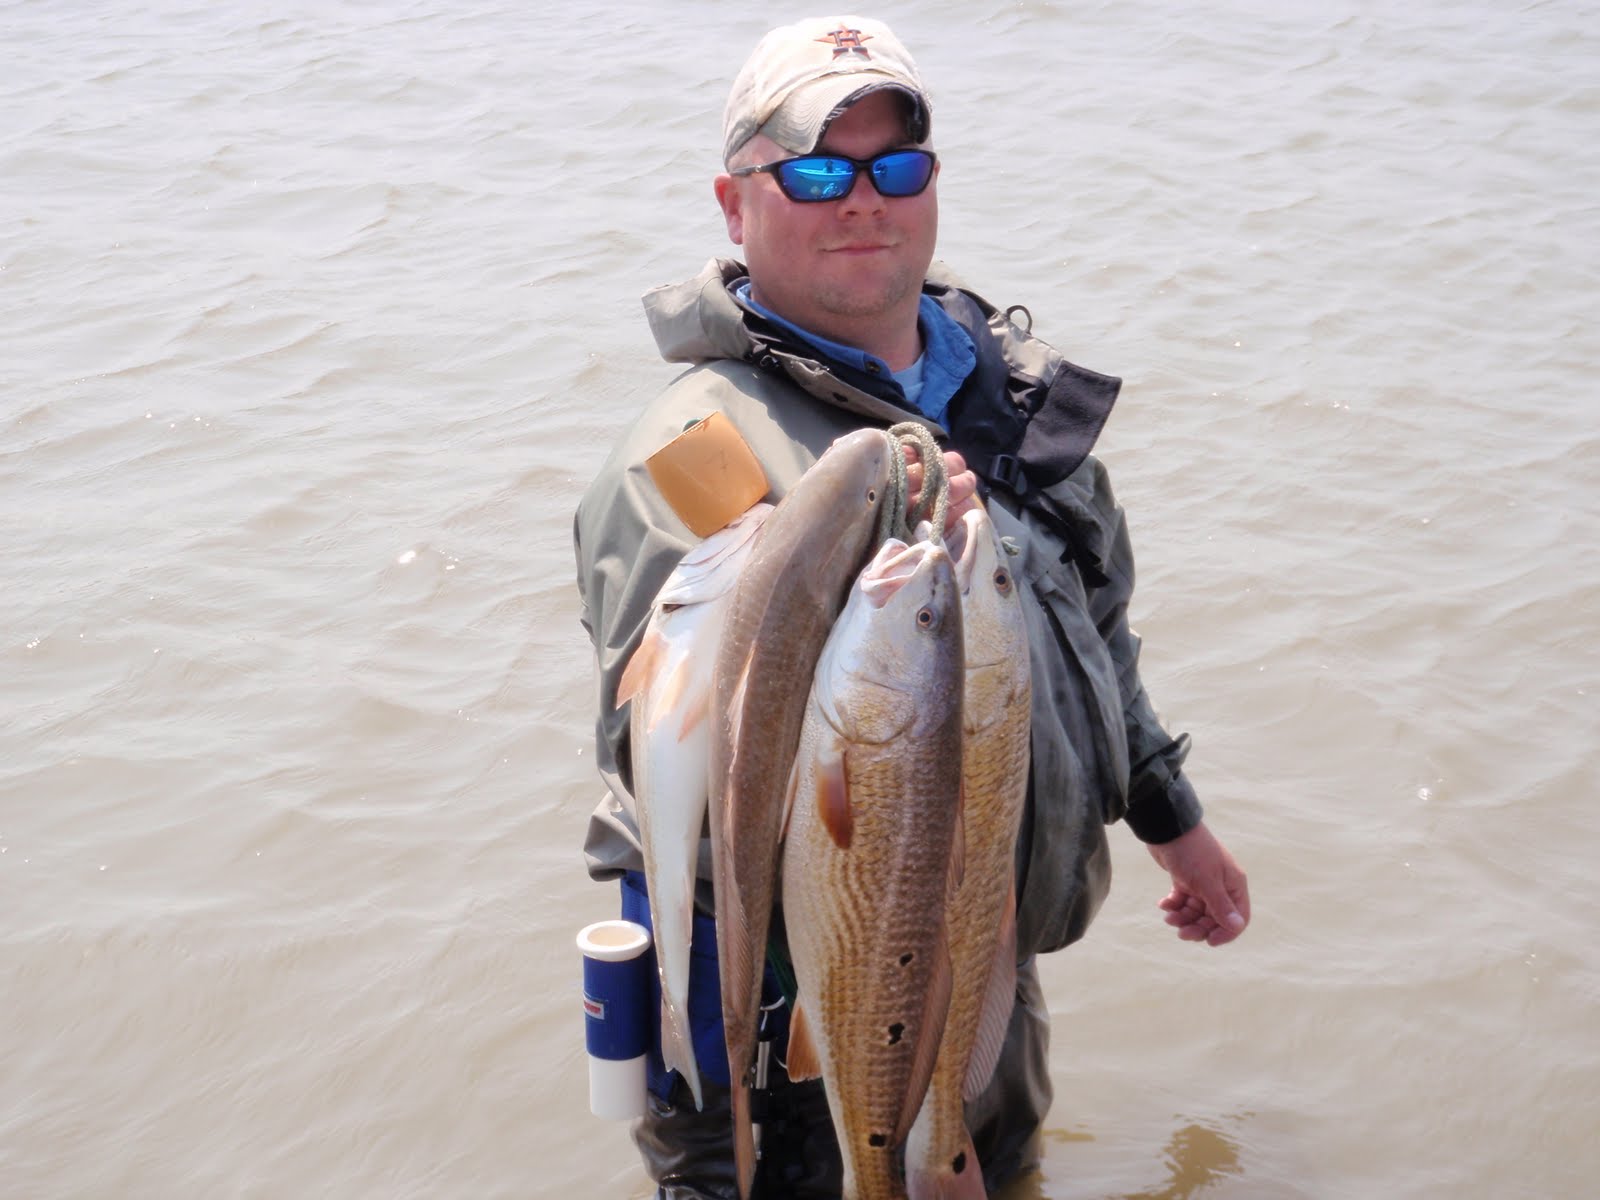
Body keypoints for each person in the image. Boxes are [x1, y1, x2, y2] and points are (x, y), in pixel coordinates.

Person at [574, 15, 1251, 1198]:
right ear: (734, 206)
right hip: (787, 1028)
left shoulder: (1009, 402)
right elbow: (674, 752)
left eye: (896, 168)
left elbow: (1093, 630)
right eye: (818, 171)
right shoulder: (693, 456)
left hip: (987, 970)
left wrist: (1168, 813)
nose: (862, 203)